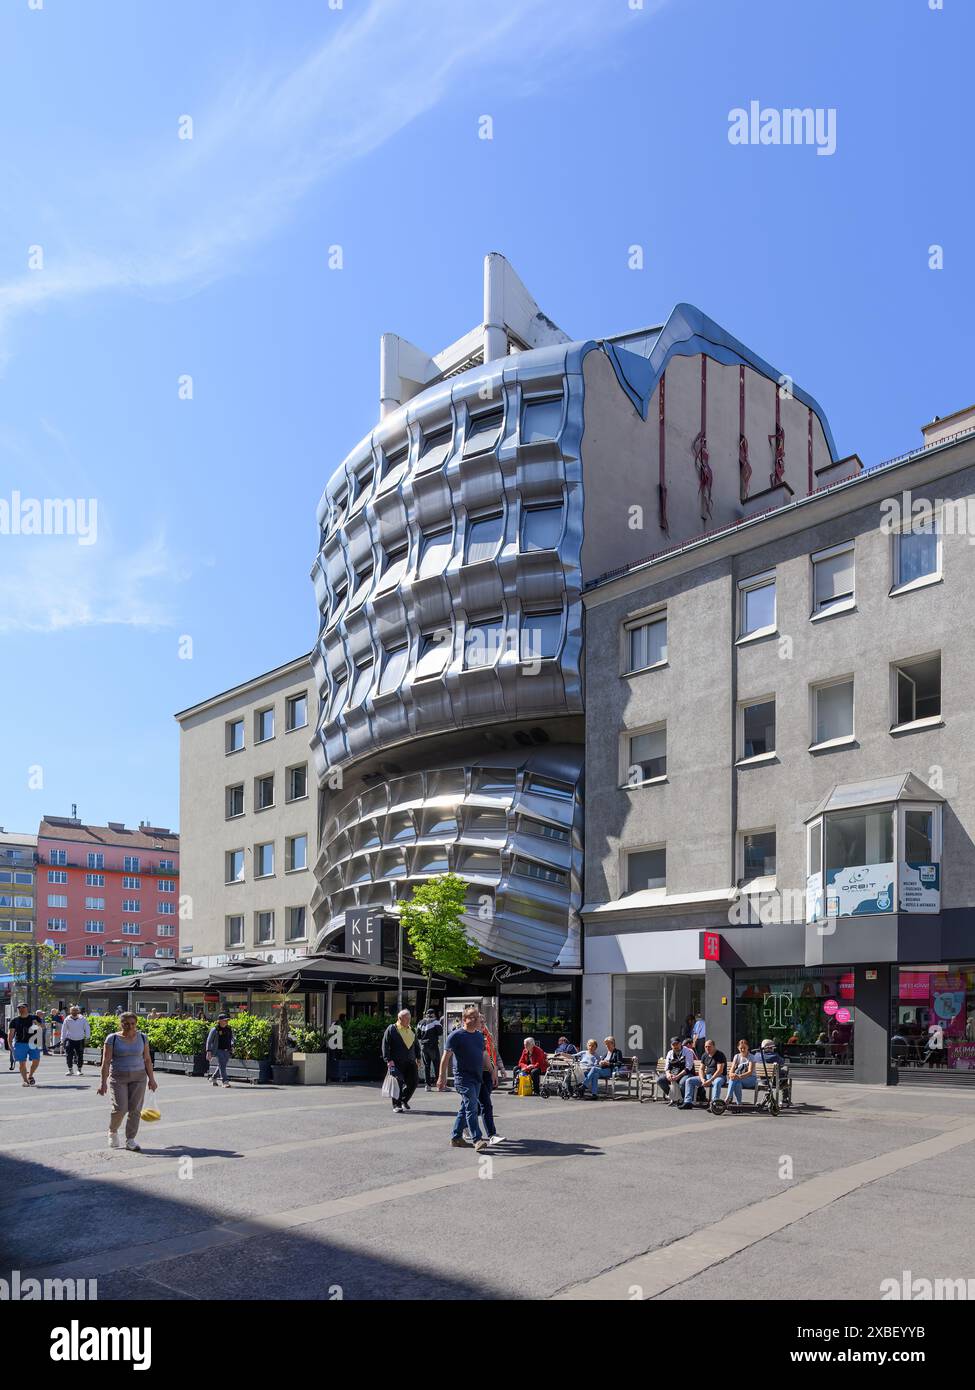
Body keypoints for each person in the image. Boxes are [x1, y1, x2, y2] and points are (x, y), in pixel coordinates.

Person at [97, 1011, 157, 1151]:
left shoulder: (143, 1037)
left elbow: (147, 1059)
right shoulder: (112, 1039)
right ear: (121, 1024)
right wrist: (103, 1083)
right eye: (126, 1024)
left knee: (135, 1109)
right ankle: (113, 1131)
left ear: (136, 1024)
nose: (129, 1027)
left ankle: (130, 1140)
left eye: (132, 1024)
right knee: (120, 1108)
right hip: (118, 1077)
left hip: (139, 1077)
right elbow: (106, 1062)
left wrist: (152, 1079)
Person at [437, 1005, 488, 1151]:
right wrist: (442, 1077)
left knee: (466, 1107)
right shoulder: (456, 1035)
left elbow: (484, 1055)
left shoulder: (479, 1036)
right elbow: (445, 1057)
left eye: (477, 1016)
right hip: (462, 1078)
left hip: (477, 1077)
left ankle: (456, 1137)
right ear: (465, 1019)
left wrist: (491, 1070)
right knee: (472, 1106)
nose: (477, 1019)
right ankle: (477, 1139)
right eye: (474, 1016)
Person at [472, 1010, 505, 1146]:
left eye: (484, 1021)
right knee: (486, 1104)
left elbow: (494, 1053)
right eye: (481, 1021)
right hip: (478, 1072)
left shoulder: (488, 1035)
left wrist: (500, 1068)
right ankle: (492, 1134)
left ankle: (463, 1128)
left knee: (478, 1106)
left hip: (488, 1072)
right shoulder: (473, 1036)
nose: (483, 1023)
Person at [381, 1008, 421, 1113]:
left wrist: (418, 1058)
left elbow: (416, 1045)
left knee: (414, 1081)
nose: (408, 1021)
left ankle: (404, 1100)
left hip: (410, 1060)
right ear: (399, 1018)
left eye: (409, 1018)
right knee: (397, 1082)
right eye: (406, 1019)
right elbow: (385, 1045)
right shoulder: (392, 1029)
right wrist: (388, 1060)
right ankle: (396, 1104)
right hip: (396, 1061)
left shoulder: (412, 1030)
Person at [680, 1038, 726, 1108]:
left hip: (719, 1077)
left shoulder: (720, 1055)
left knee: (717, 1082)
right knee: (689, 1081)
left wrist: (710, 1080)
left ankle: (714, 1104)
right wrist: (702, 1079)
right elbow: (701, 1069)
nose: (707, 1048)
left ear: (714, 1046)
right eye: (706, 1047)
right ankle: (688, 1102)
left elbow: (720, 1070)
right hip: (707, 1077)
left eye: (709, 1046)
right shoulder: (705, 1055)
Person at [8, 1003, 42, 1086]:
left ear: (27, 1008)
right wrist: (10, 1045)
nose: (21, 1009)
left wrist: (36, 1023)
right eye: (19, 1008)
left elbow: (42, 1027)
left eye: (23, 1007)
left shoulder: (35, 1018)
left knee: (36, 1061)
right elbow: (11, 1034)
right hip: (20, 1043)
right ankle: (25, 1080)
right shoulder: (15, 1020)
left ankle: (30, 1076)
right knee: (22, 1063)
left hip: (33, 1043)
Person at [658, 1036, 693, 1103]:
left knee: (682, 1083)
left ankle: (682, 1099)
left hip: (685, 1074)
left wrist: (678, 1076)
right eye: (673, 1045)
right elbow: (667, 1067)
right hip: (673, 1074)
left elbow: (688, 1068)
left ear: (680, 1044)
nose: (675, 1046)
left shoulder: (688, 1051)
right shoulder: (670, 1053)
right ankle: (673, 1097)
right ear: (671, 1046)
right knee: (660, 1080)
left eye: (677, 1044)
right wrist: (668, 1074)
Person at [416, 1008, 444, 1092]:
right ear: (433, 1014)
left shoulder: (420, 1022)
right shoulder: (435, 1021)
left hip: (423, 1046)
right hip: (433, 1046)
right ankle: (438, 1085)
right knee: (437, 1065)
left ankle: (427, 1085)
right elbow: (440, 1032)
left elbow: (418, 1036)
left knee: (426, 1066)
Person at [723, 1039, 755, 1110]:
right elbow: (732, 1069)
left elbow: (750, 1072)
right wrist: (731, 1074)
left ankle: (728, 1098)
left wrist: (738, 1076)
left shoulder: (751, 1057)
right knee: (737, 1083)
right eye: (741, 1048)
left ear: (748, 1047)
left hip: (751, 1079)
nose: (743, 1050)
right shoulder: (736, 1056)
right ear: (738, 1048)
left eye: (744, 1048)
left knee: (735, 1079)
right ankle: (739, 1105)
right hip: (739, 1079)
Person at [205, 1014, 234, 1087]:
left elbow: (232, 1038)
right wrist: (208, 1051)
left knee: (222, 1065)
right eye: (225, 1020)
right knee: (222, 1065)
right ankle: (225, 1081)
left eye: (227, 1020)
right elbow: (209, 1040)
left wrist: (232, 1045)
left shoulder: (229, 1028)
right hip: (218, 1050)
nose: (226, 1021)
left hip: (227, 1050)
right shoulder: (215, 1029)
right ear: (220, 1021)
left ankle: (214, 1078)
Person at [61, 1005, 90, 1076]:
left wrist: (87, 1037)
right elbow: (63, 1030)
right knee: (68, 1055)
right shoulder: (67, 1019)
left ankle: (79, 1070)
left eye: (75, 1010)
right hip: (69, 1039)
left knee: (80, 1055)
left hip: (80, 1040)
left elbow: (87, 1028)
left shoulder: (83, 1019)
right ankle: (70, 1070)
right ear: (70, 1011)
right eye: (72, 1010)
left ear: (78, 1011)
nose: (74, 1011)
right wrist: (62, 1040)